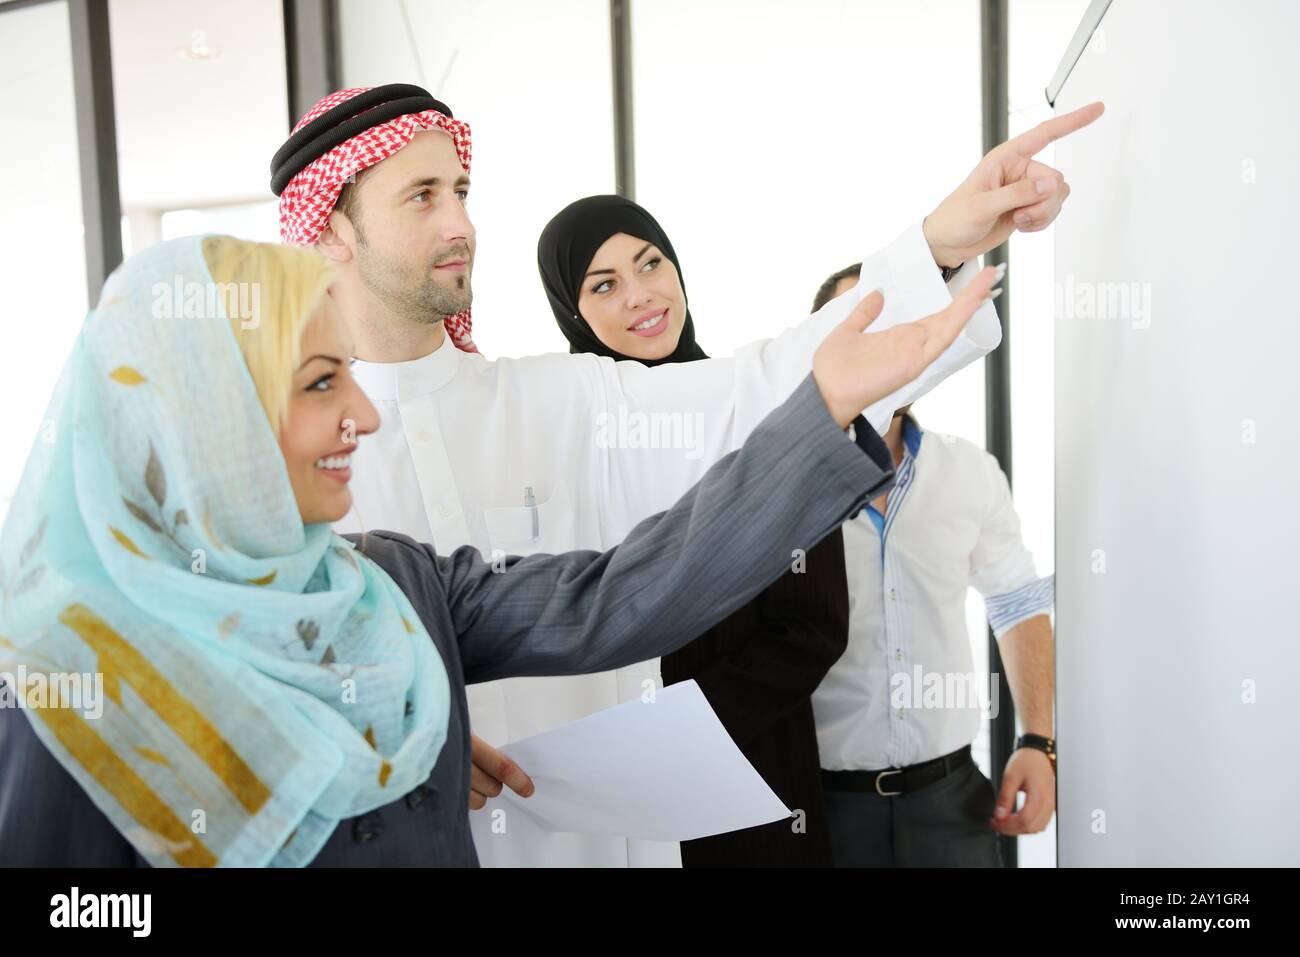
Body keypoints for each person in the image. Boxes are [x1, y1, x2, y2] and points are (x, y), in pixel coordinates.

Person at [269, 82, 1100, 866]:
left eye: (462, 191)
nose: (460, 222)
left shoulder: (564, 398)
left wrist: (935, 246)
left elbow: (751, 387)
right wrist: (424, 745)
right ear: (334, 228)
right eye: (423, 197)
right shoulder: (277, 462)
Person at [0, 234, 1000, 867]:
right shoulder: (58, 685)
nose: (363, 415)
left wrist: (825, 407)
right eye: (318, 384)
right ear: (205, 423)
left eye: (349, 374)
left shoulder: (388, 585)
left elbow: (623, 594)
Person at [537, 194, 846, 866]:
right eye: (605, 284)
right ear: (571, 310)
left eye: (651, 264)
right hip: (606, 794)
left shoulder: (756, 410)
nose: (642, 296)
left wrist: (667, 739)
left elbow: (814, 622)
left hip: (750, 775)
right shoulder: (567, 440)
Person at [808, 264, 1056, 867]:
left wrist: (1038, 741)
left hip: (954, 806)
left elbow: (1015, 599)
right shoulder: (780, 482)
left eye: (896, 328)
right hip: (820, 810)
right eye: (859, 331)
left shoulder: (969, 472)